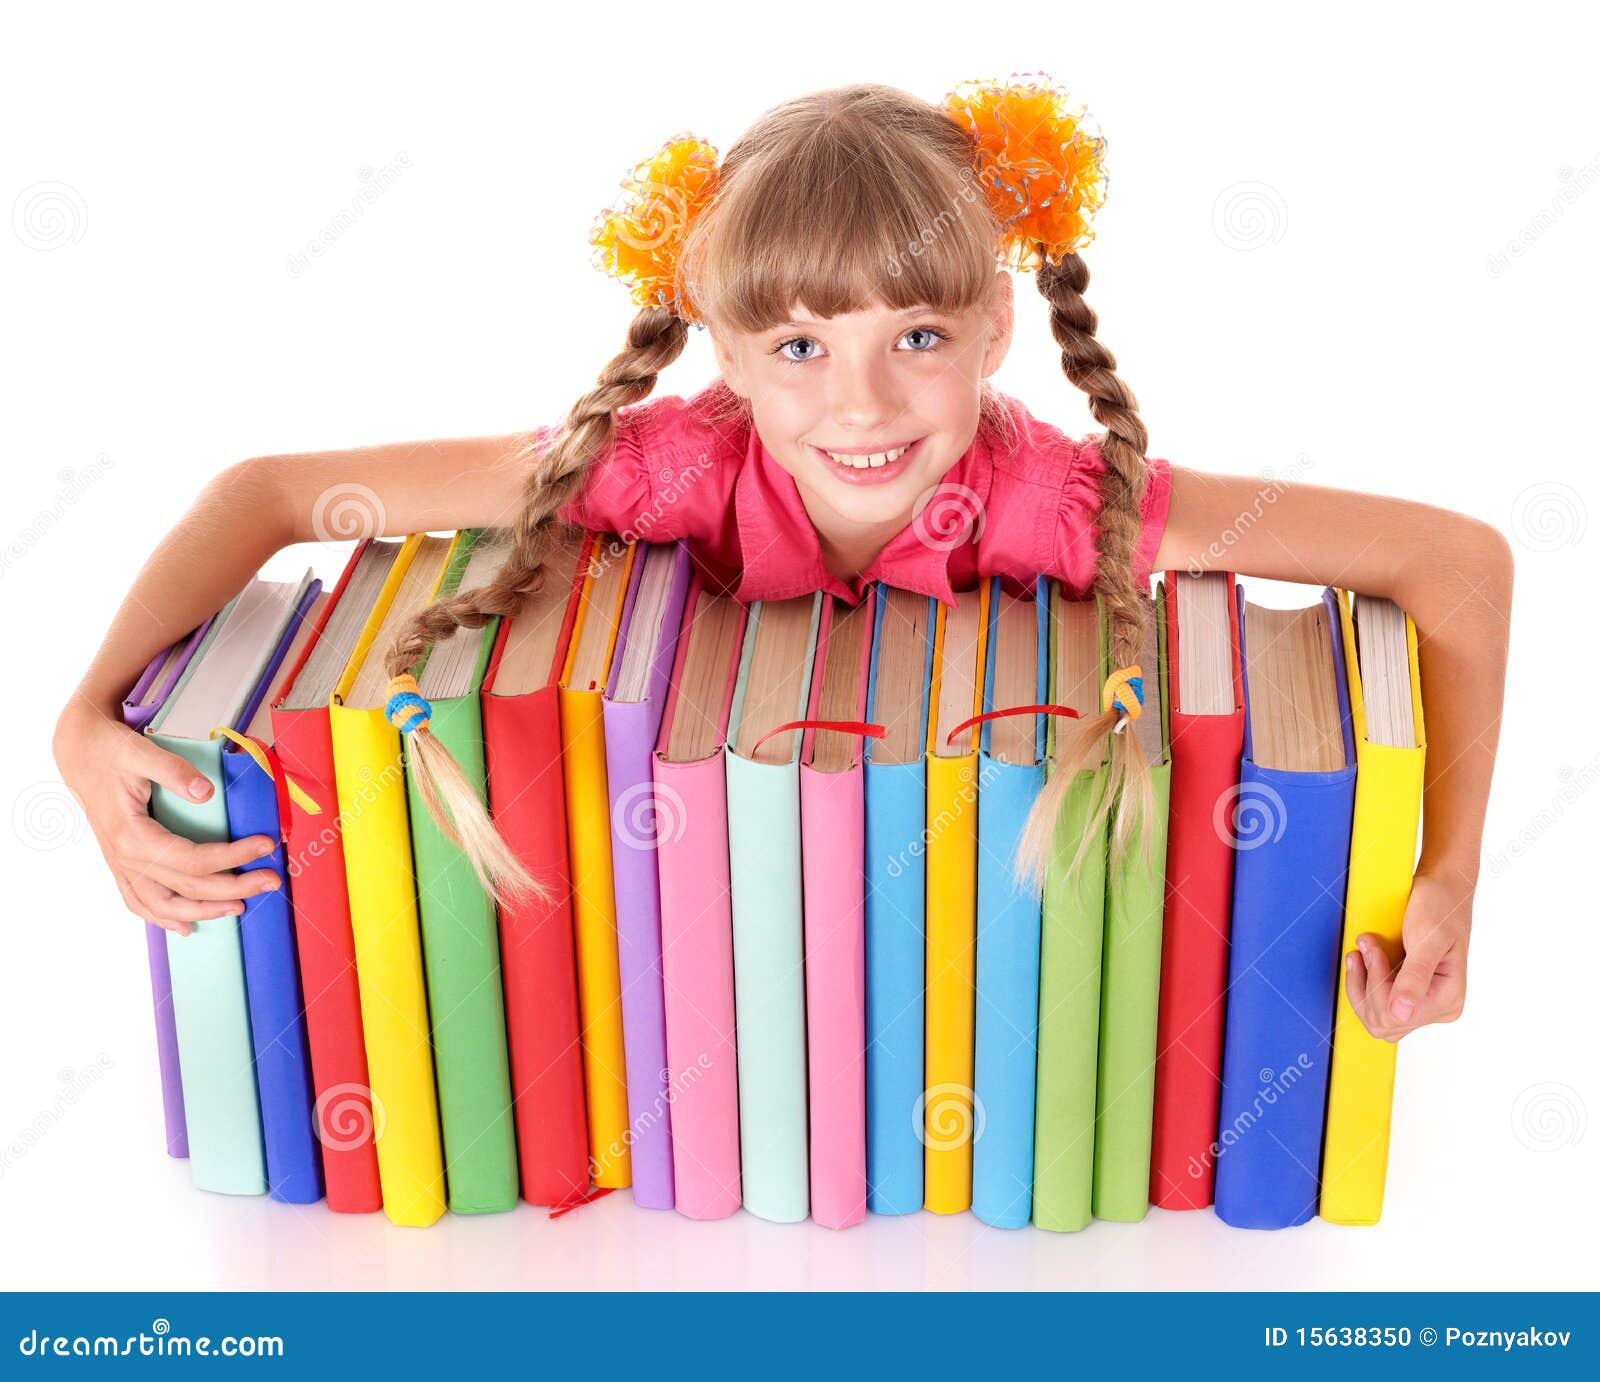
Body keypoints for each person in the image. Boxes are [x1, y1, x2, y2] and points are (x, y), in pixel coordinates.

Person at [52, 77, 1512, 1044]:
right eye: (802, 347)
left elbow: (1456, 559)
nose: (862, 405)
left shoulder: (1063, 499)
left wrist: (1447, 870)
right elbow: (273, 493)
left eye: (917, 340)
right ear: (727, 349)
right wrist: (79, 722)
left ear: (998, 329)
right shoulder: (662, 464)